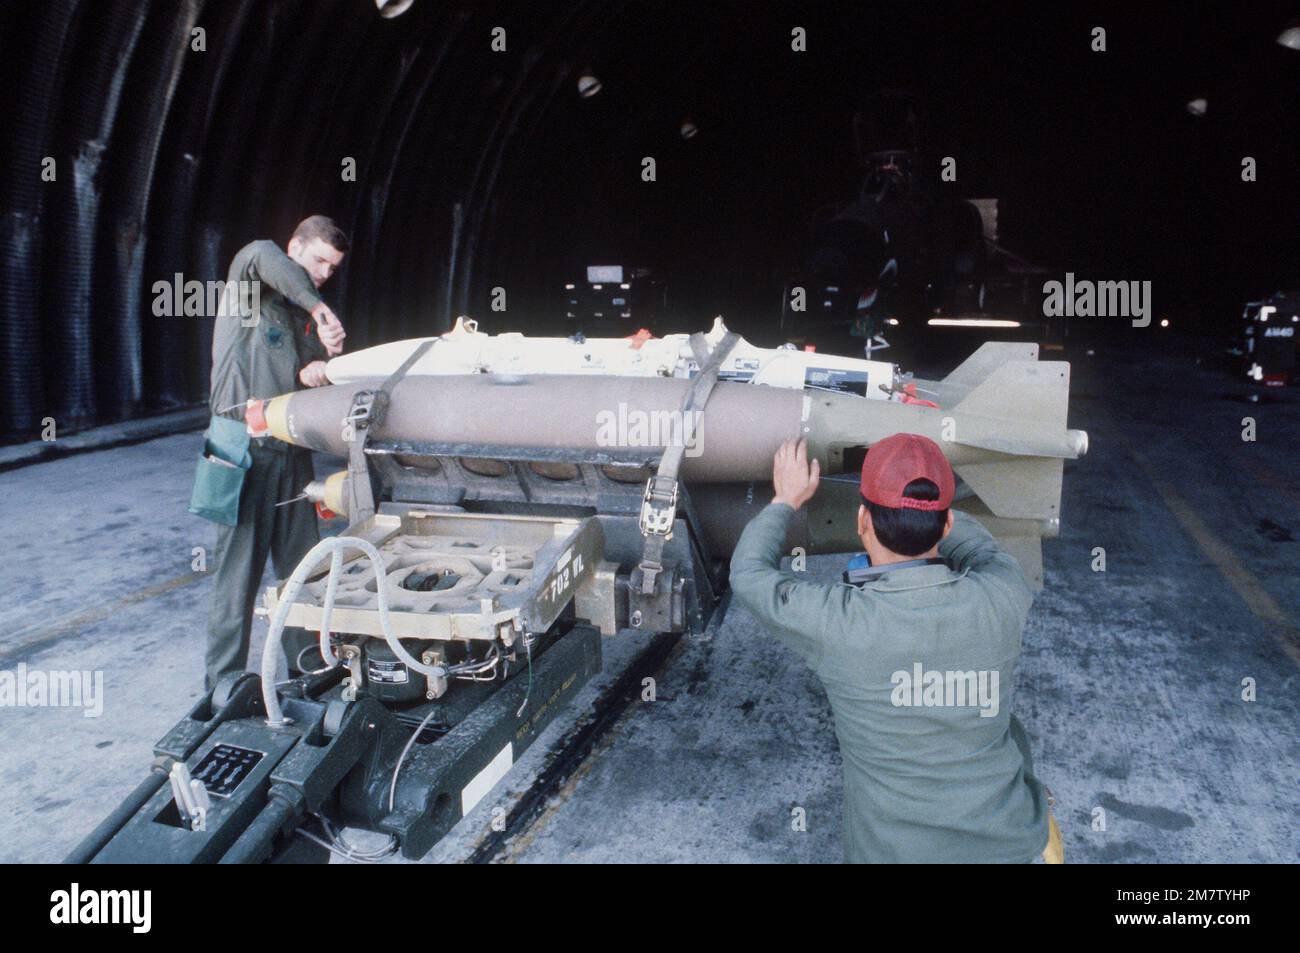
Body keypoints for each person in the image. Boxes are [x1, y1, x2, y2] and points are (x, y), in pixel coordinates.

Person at [729, 433, 1062, 863]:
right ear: (944, 525)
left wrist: (786, 500)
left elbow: (750, 575)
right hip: (1014, 847)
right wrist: (926, 504)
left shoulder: (839, 624)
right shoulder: (1004, 593)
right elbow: (978, 543)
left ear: (863, 521)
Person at [204, 215, 349, 689]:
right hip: (239, 447)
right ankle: (222, 685)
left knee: (303, 570)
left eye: (333, 267)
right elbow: (262, 254)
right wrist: (321, 308)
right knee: (237, 576)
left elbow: (303, 375)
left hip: (290, 451)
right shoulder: (249, 287)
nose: (324, 273)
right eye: (318, 260)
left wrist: (322, 368)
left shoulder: (296, 319)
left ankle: (310, 674)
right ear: (295, 246)